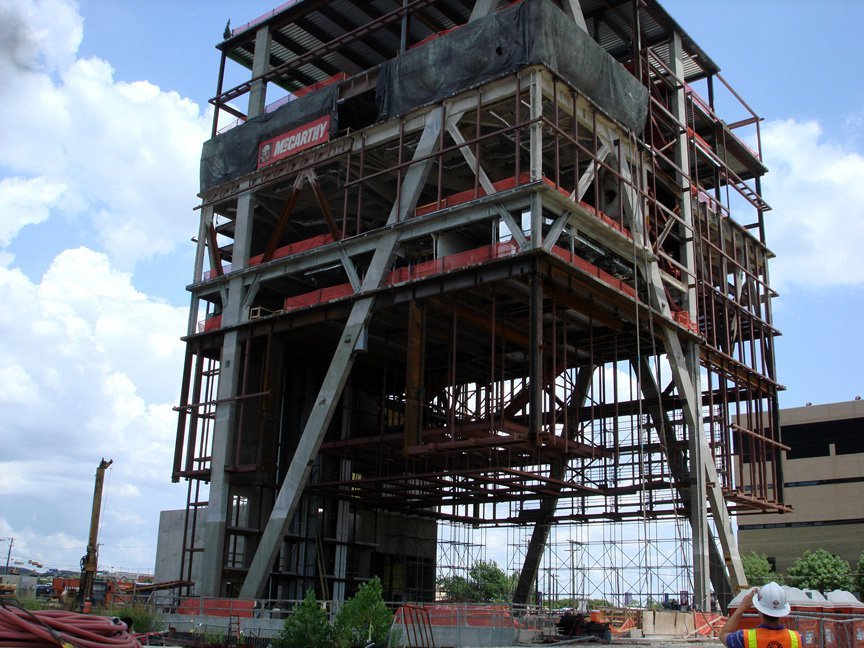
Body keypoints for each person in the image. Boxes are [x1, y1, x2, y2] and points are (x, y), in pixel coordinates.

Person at [720, 582, 802, 648]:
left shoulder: (742, 638)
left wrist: (742, 607)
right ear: (782, 610)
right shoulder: (798, 638)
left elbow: (723, 635)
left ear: (759, 608)